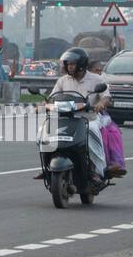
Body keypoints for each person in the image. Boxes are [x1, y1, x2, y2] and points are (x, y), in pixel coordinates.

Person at [43, 47, 122, 184]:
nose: (69, 67)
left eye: (72, 64)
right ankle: (47, 167)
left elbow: (105, 97)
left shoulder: (96, 79)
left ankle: (98, 170)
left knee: (91, 131)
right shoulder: (63, 80)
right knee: (44, 132)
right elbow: (52, 97)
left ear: (81, 64)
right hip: (65, 117)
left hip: (89, 117)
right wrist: (43, 104)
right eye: (67, 64)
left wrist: (101, 104)